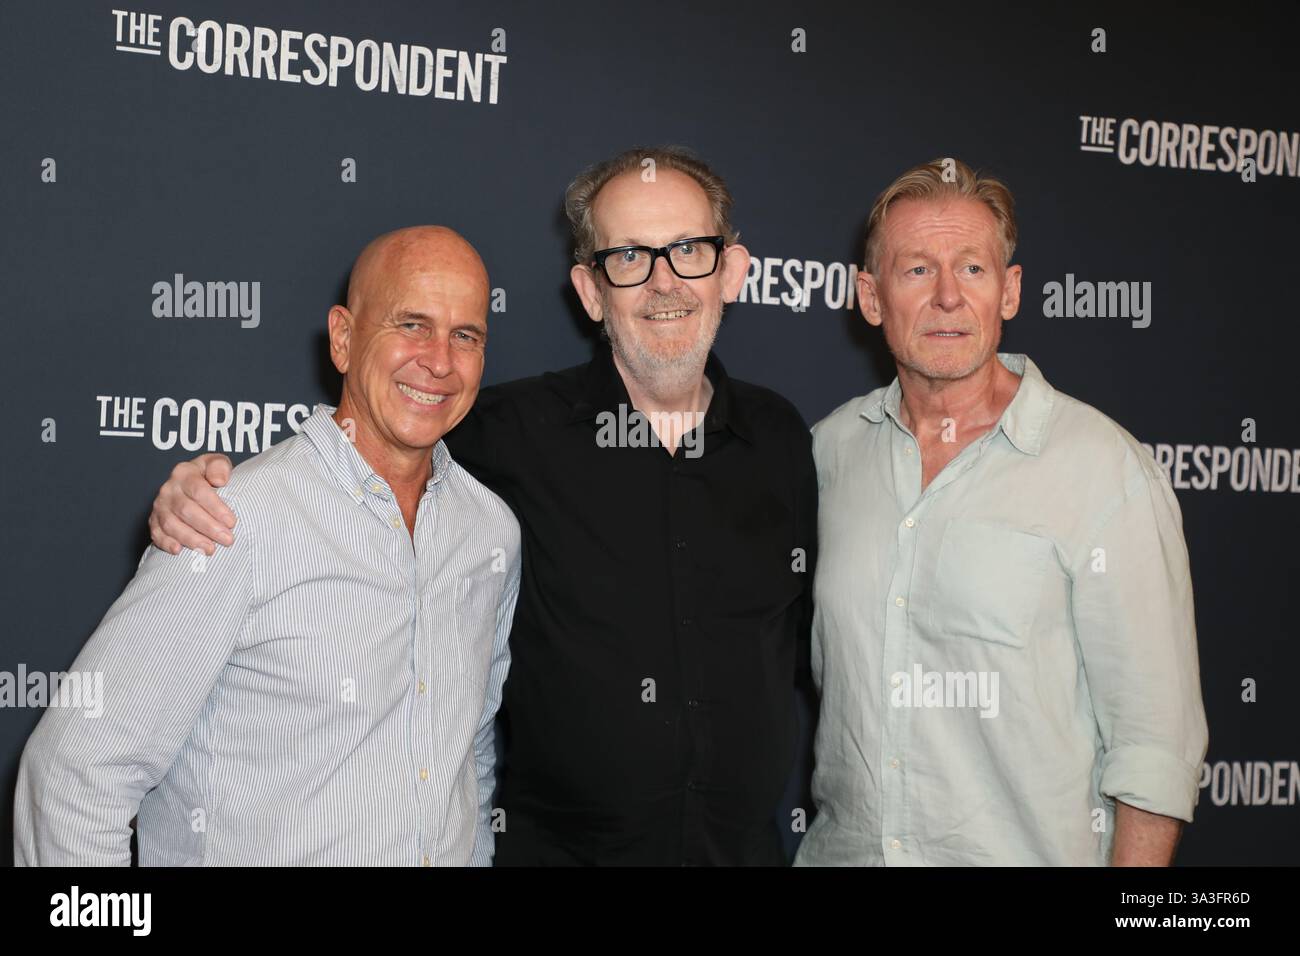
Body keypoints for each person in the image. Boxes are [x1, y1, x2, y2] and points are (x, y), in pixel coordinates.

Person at [145, 147, 818, 866]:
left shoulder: (783, 439)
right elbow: (367, 445)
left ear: (733, 272)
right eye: (628, 257)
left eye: (688, 249)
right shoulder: (503, 432)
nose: (662, 282)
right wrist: (207, 493)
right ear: (591, 292)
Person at [16, 226, 520, 866]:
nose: (440, 360)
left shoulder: (491, 533)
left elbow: (466, 759)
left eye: (466, 336)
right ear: (344, 338)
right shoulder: (233, 518)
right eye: (412, 325)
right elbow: (71, 772)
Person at [794, 158, 1209, 866]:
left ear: (1009, 290)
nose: (948, 297)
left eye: (973, 270)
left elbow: (1155, 745)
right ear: (870, 296)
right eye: (917, 270)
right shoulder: (827, 455)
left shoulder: (1103, 469)